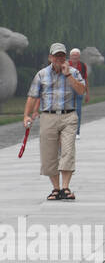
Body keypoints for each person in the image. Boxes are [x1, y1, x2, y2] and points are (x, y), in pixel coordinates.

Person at [22, 43, 88, 201]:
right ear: (50, 57)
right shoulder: (41, 74)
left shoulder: (74, 72)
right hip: (48, 116)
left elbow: (81, 91)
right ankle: (55, 188)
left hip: (68, 116)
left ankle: (65, 187)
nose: (59, 59)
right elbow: (32, 96)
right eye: (56, 56)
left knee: (68, 151)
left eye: (61, 56)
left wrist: (68, 76)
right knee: (49, 154)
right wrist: (26, 115)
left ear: (65, 57)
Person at [68, 47, 90, 137]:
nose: (74, 58)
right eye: (73, 56)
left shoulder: (82, 65)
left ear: (79, 57)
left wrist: (87, 93)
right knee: (69, 111)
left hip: (79, 91)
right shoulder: (66, 65)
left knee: (78, 111)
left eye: (76, 56)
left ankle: (77, 132)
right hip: (69, 92)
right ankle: (69, 130)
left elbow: (85, 79)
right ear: (70, 56)